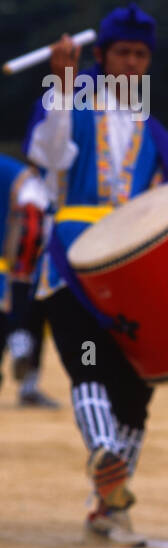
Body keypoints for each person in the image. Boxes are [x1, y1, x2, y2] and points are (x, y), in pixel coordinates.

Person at [26, 5, 168, 544]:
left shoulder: (153, 128)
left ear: (147, 63)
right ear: (102, 57)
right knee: (87, 362)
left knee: (137, 386)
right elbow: (46, 155)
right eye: (122, 52)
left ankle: (109, 500)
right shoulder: (68, 106)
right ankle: (104, 454)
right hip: (71, 257)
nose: (130, 63)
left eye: (140, 55)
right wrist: (60, 83)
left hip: (131, 267)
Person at [0, 152, 57, 406]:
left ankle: (20, 347)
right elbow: (30, 228)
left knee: (15, 322)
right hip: (25, 269)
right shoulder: (27, 182)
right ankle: (28, 381)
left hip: (18, 270)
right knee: (27, 319)